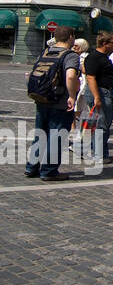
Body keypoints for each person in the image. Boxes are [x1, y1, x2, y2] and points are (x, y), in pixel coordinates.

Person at [25, 25, 81, 181]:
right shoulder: (70, 55)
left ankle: (31, 168)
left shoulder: (45, 51)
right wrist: (71, 96)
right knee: (56, 136)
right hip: (60, 102)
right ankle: (49, 171)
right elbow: (70, 76)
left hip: (42, 99)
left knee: (40, 135)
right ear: (71, 37)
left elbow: (31, 74)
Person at [84, 32, 113, 167]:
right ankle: (99, 155)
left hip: (107, 92)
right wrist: (96, 97)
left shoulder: (103, 57)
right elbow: (90, 77)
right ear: (104, 43)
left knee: (102, 124)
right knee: (102, 125)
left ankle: (98, 152)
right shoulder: (94, 57)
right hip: (101, 93)